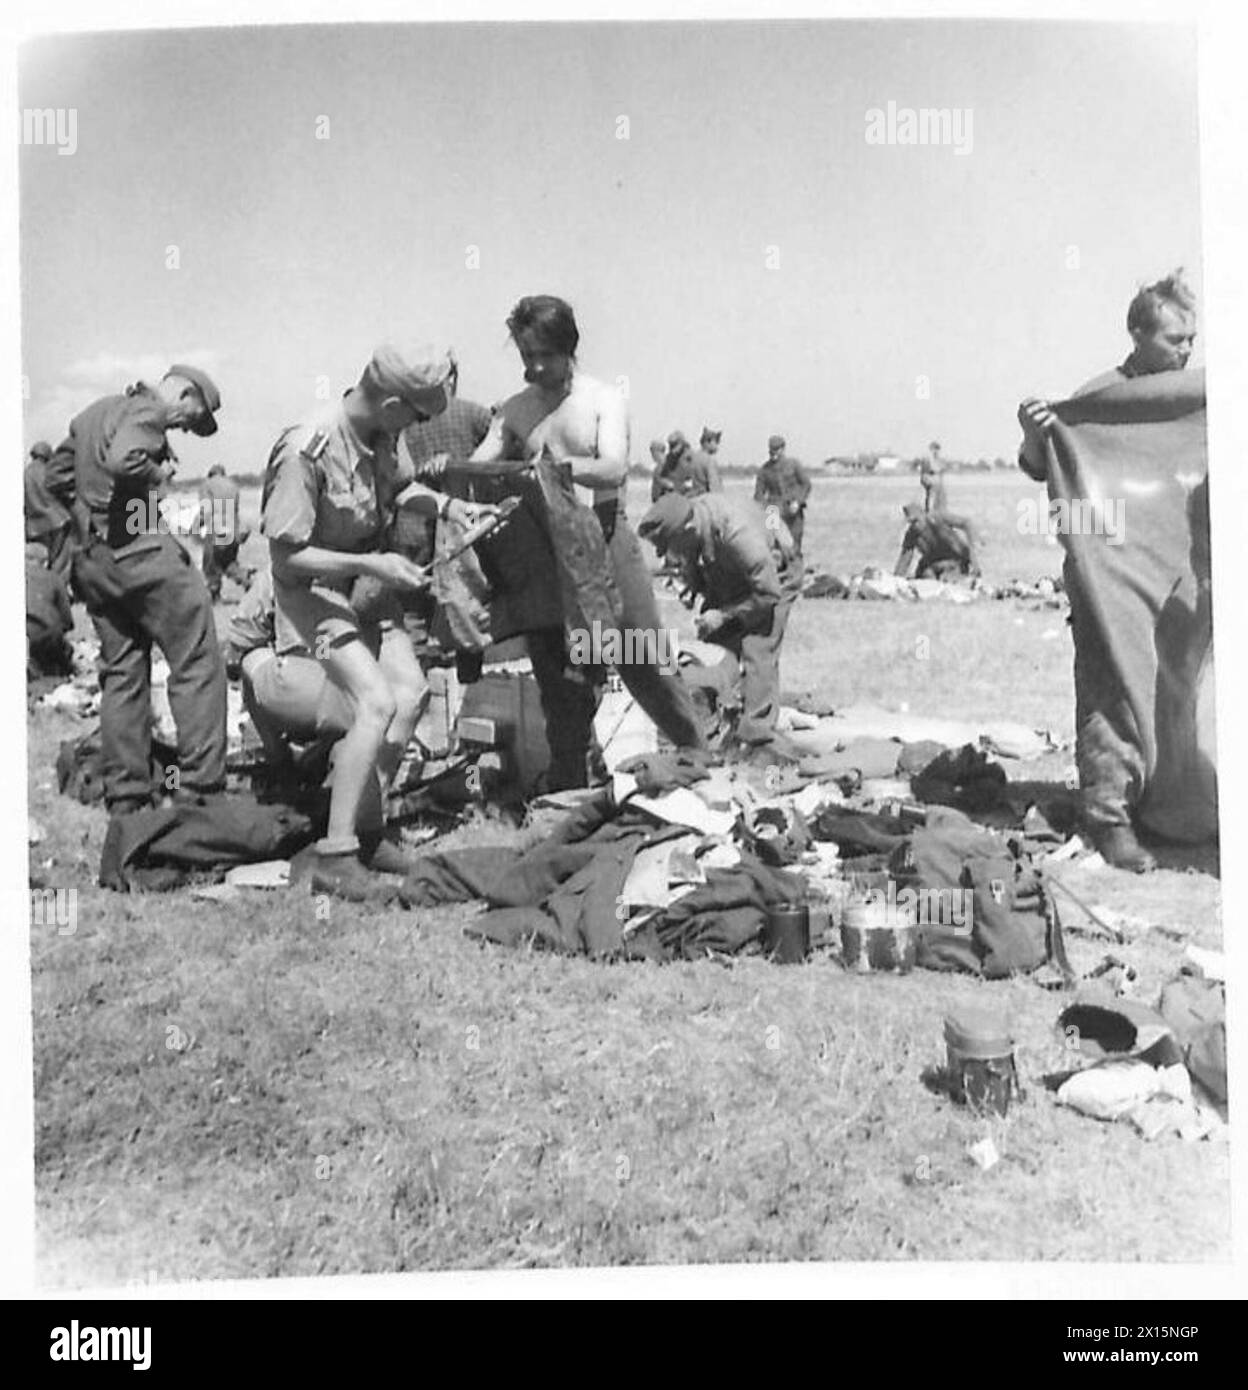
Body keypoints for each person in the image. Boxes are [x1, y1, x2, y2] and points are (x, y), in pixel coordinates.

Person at [469, 294, 706, 788]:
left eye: (544, 356)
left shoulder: (602, 399)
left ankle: (695, 752)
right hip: (547, 553)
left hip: (604, 537)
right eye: (525, 356)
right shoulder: (514, 409)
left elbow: (614, 467)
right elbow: (480, 463)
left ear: (569, 347)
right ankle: (569, 779)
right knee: (560, 668)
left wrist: (555, 469)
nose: (534, 367)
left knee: (642, 654)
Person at [1018, 269, 1199, 872]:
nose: (1186, 350)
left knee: (1177, 694)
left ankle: (1168, 807)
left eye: (1191, 339)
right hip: (1109, 581)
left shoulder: (1192, 403)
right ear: (1137, 333)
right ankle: (1109, 821)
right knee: (1112, 691)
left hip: (1179, 585)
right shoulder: (1098, 404)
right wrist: (1036, 436)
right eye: (1174, 339)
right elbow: (1048, 468)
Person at [260, 342, 454, 896]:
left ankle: (368, 829)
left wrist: (453, 508)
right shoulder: (307, 449)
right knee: (375, 702)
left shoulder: (386, 433)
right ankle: (335, 855)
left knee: (411, 695)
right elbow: (286, 557)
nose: (418, 425)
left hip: (364, 585)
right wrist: (373, 563)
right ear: (393, 402)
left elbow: (402, 489)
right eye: (418, 414)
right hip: (310, 589)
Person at [48, 364, 228, 816]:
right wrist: (158, 483)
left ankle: (127, 797)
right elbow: (125, 459)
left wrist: (93, 513)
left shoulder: (96, 412)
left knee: (123, 675)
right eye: (192, 417)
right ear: (184, 394)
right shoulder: (149, 412)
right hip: (142, 554)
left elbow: (56, 476)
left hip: (94, 563)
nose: (185, 426)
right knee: (198, 661)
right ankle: (201, 792)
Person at [639, 490, 803, 748]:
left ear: (688, 530)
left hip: (776, 574)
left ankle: (757, 738)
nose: (664, 554)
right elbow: (695, 553)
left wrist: (723, 615)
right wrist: (693, 584)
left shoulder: (739, 536)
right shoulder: (694, 519)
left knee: (757, 646)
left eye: (667, 544)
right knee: (715, 644)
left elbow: (769, 593)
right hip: (736, 571)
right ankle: (727, 712)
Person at [24, 439, 74, 580]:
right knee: (61, 558)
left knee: (40, 558)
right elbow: (62, 490)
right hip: (57, 519)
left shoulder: (25, 473)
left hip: (35, 526)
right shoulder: (48, 470)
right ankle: (56, 585)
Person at [754, 434, 812, 553]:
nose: (774, 453)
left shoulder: (794, 464)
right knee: (774, 546)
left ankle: (795, 568)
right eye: (771, 450)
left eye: (777, 450)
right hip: (773, 511)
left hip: (793, 510)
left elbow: (806, 484)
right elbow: (758, 495)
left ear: (783, 449)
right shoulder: (764, 470)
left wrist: (798, 502)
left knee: (794, 545)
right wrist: (767, 509)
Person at [199, 464, 248, 601]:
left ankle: (214, 595)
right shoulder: (233, 485)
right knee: (228, 562)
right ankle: (248, 582)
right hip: (233, 529)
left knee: (211, 564)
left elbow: (206, 510)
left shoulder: (207, 485)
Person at [894, 502, 981, 580]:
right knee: (927, 577)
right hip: (934, 563)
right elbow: (904, 560)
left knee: (948, 579)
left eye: (916, 521)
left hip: (956, 559)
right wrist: (895, 581)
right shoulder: (911, 534)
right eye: (911, 523)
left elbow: (966, 523)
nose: (915, 526)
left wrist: (973, 556)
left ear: (923, 514)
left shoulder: (937, 519)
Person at [650, 429, 720, 500]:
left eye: (674, 444)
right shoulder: (670, 460)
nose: (672, 449)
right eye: (671, 445)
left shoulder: (690, 457)